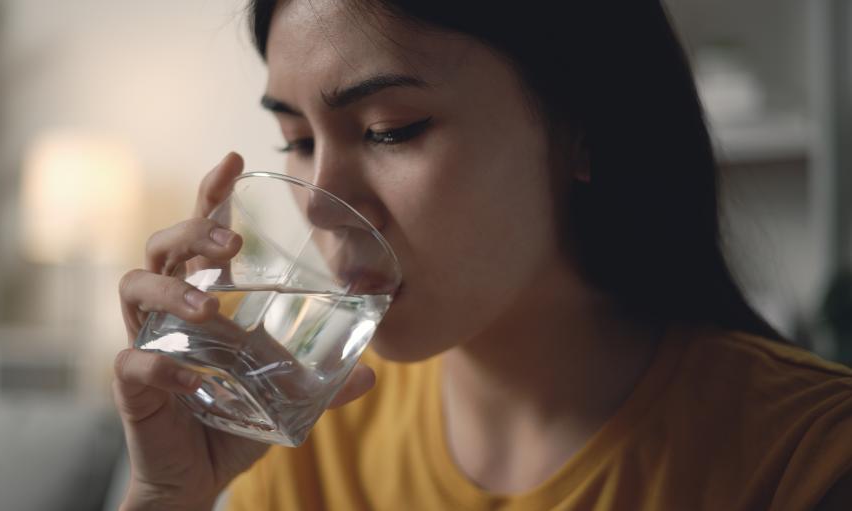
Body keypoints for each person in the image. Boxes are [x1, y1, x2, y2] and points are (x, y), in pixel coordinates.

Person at [112, 1, 852, 509]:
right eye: (298, 142)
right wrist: (168, 498)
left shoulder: (803, 460)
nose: (316, 198)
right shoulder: (311, 437)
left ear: (581, 125)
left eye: (390, 129)